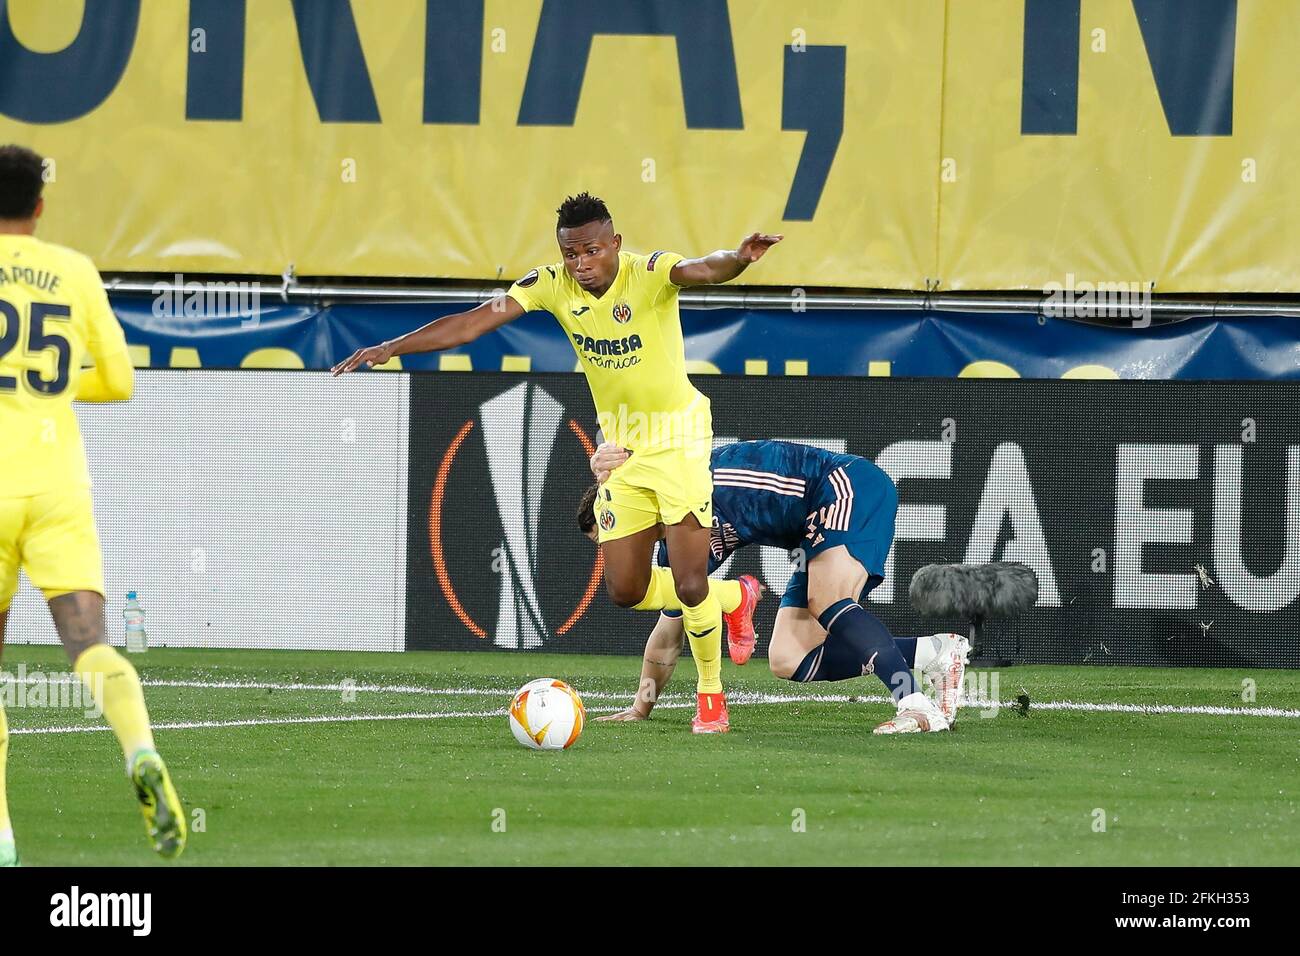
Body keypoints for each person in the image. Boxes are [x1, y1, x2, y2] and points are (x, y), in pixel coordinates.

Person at [334, 193, 781, 733]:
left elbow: (702, 269)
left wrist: (738, 258)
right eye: (570, 253)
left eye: (591, 250)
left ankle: (710, 698)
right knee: (626, 590)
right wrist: (390, 347)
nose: (580, 264)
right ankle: (737, 596)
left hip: (680, 439)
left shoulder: (650, 272)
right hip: (622, 449)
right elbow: (473, 323)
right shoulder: (550, 284)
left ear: (615, 244)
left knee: (690, 583)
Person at [0, 144, 185, 865]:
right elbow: (120, 381)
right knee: (89, 645)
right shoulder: (73, 270)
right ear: (40, 208)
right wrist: (44, 389)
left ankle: (6, 838)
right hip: (55, 485)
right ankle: (140, 752)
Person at [579, 439, 970, 734]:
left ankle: (915, 704)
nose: (617, 549)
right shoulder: (678, 543)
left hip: (847, 485)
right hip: (809, 529)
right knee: (789, 657)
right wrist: (641, 707)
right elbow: (668, 634)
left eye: (612, 534)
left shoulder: (698, 485)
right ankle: (935, 652)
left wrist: (619, 458)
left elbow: (660, 452)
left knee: (828, 600)